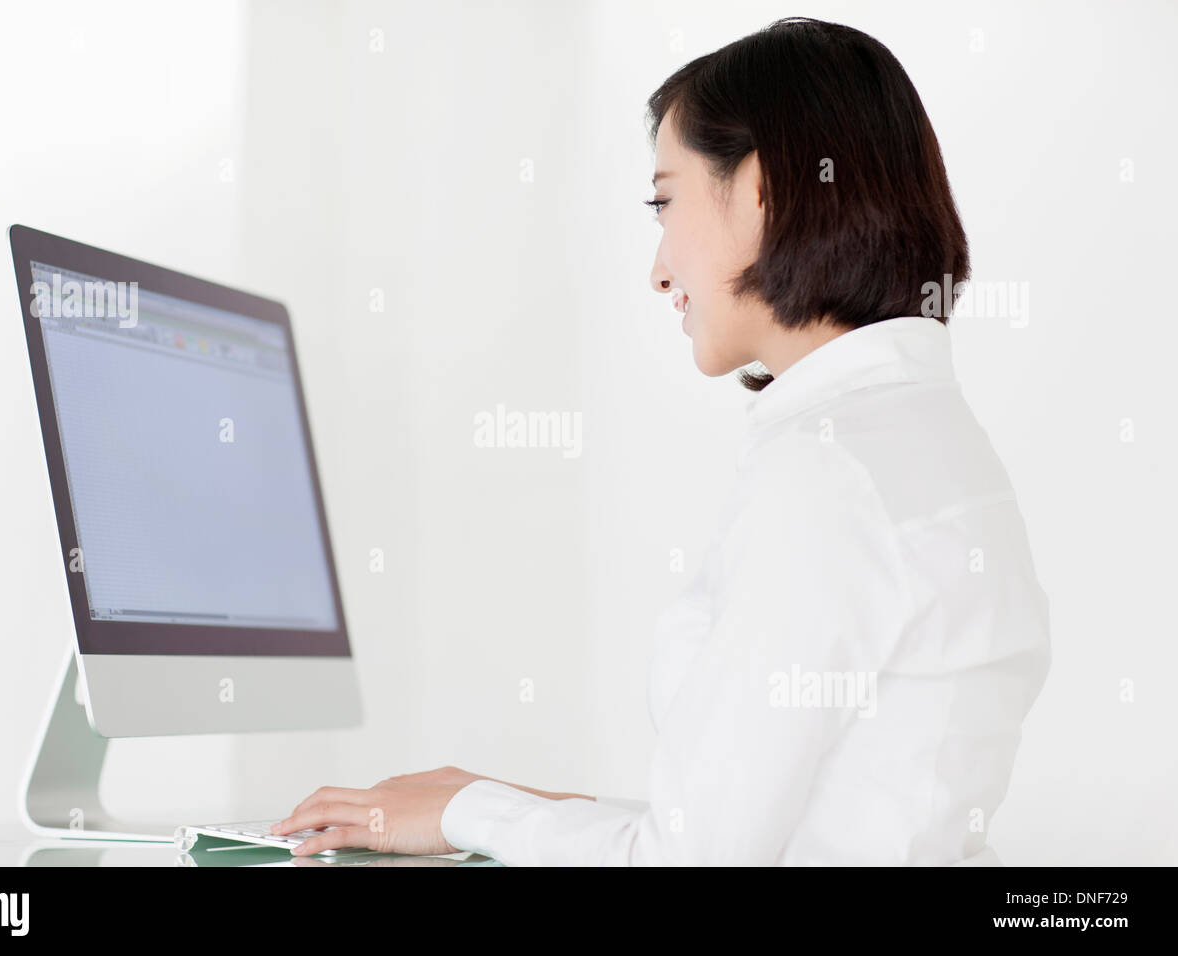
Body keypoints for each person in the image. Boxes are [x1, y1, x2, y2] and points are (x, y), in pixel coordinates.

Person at [270, 16, 1051, 865]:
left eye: (664, 201)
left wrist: (472, 812)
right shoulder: (919, 438)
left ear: (763, 189)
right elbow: (785, 821)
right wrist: (512, 806)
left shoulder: (828, 474)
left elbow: (692, 860)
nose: (658, 268)